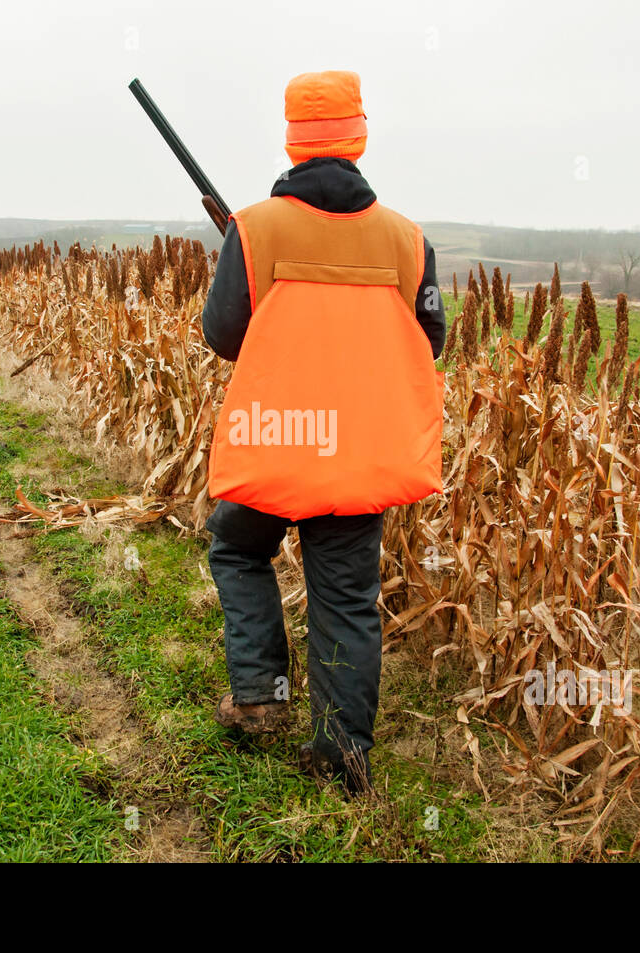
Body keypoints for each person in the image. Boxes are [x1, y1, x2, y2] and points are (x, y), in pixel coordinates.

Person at [200, 70, 445, 795]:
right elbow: (428, 339)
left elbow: (222, 334)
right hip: (359, 458)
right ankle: (342, 758)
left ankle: (258, 696)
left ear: (292, 139)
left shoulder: (255, 229)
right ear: (358, 136)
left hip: (278, 442)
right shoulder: (407, 240)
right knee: (345, 599)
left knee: (239, 546)